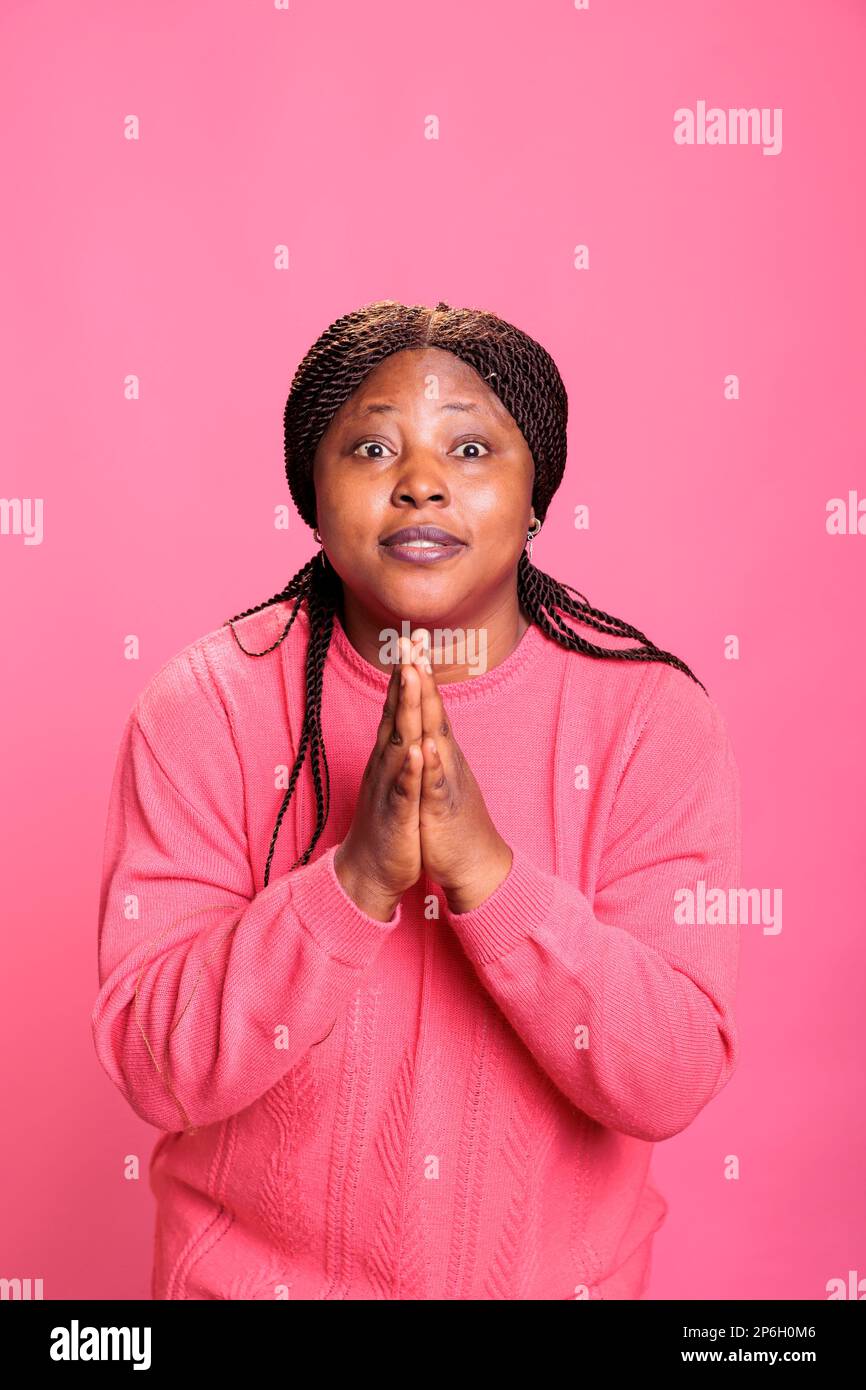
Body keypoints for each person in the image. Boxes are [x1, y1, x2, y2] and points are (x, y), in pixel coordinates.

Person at [91, 299, 742, 1300]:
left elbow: (669, 1077)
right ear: (311, 494)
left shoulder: (651, 718)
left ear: (536, 496)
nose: (421, 484)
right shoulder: (202, 707)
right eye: (369, 448)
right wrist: (352, 880)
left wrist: (485, 873)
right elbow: (153, 1065)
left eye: (471, 446)